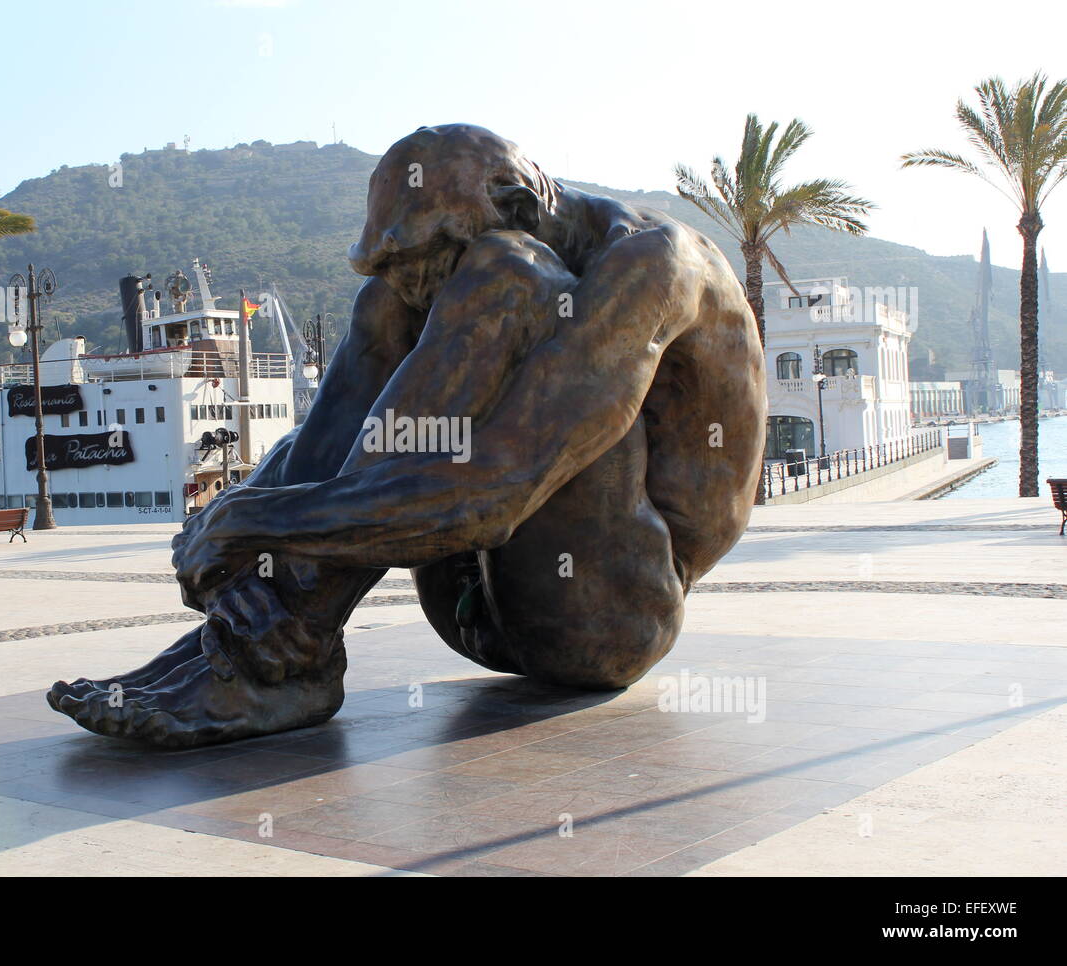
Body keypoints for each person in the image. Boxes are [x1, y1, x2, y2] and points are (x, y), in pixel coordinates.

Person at [50, 124, 765, 749]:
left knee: (505, 276)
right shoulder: (422, 283)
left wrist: (248, 519)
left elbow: (497, 492)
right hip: (468, 608)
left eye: (431, 259)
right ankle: (257, 644)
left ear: (517, 208)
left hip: (604, 621)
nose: (424, 292)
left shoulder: (655, 266)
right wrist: (247, 549)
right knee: (388, 305)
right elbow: (322, 446)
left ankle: (279, 656)